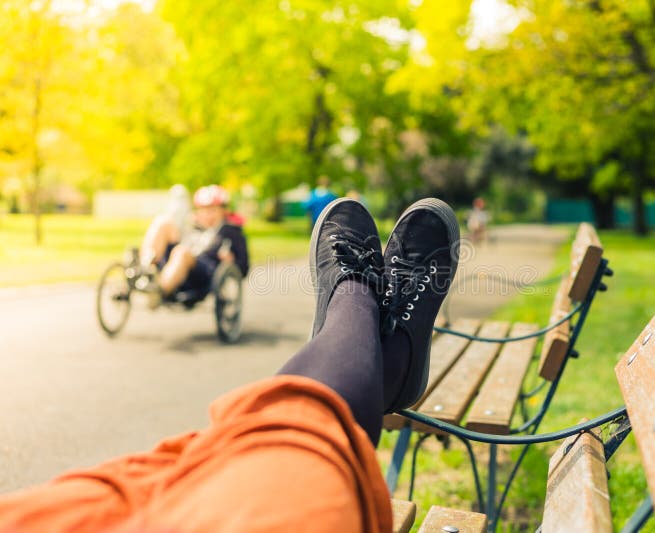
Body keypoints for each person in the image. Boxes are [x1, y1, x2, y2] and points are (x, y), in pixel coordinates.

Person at [0, 197, 459, 533]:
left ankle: (354, 307)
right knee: (285, 444)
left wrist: (222, 253)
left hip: (201, 274)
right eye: (201, 207)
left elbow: (237, 265)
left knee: (195, 466)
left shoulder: (229, 232)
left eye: (210, 206)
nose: (204, 211)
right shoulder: (192, 228)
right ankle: (383, 337)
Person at [139, 184, 249, 306]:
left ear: (224, 211)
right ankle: (144, 267)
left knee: (182, 252)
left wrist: (232, 261)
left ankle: (160, 291)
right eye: (204, 211)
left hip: (203, 273)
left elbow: (244, 268)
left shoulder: (232, 232)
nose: (208, 215)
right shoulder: (192, 227)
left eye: (213, 210)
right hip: (175, 262)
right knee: (163, 222)